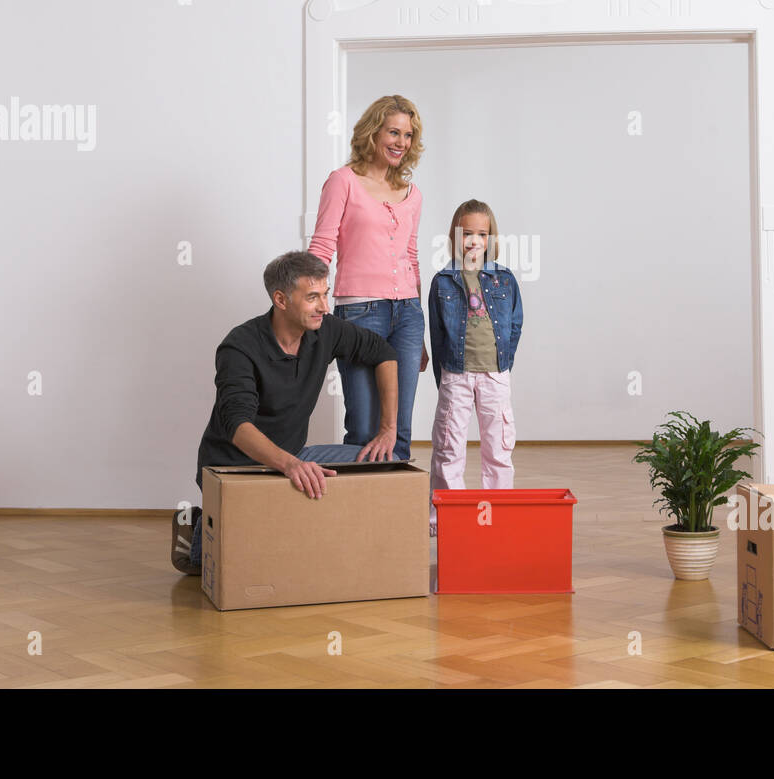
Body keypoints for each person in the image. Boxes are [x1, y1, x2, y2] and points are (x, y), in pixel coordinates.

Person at [170, 251, 399, 575]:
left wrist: (387, 429)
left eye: (325, 294)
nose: (324, 306)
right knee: (223, 567)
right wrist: (292, 465)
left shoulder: (326, 329)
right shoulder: (239, 347)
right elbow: (237, 425)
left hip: (293, 456)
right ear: (280, 299)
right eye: (312, 297)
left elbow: (383, 353)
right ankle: (197, 529)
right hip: (233, 468)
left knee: (382, 461)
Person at [307, 95, 429, 463]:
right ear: (373, 132)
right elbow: (322, 246)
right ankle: (360, 515)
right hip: (359, 313)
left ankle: (396, 517)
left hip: (407, 314)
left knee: (400, 429)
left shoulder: (413, 194)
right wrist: (311, 305)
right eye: (393, 132)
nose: (401, 143)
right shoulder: (342, 181)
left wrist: (419, 329)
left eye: (408, 135)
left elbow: (412, 258)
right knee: (362, 427)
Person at [426, 199, 524, 534]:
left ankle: (496, 514)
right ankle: (444, 520)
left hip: (495, 374)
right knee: (448, 447)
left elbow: (515, 324)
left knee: (498, 447)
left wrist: (503, 363)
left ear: (490, 238)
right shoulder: (443, 281)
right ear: (455, 235)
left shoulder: (505, 280)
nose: (474, 241)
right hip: (456, 373)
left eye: (481, 234)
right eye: (467, 233)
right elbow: (437, 335)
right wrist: (446, 378)